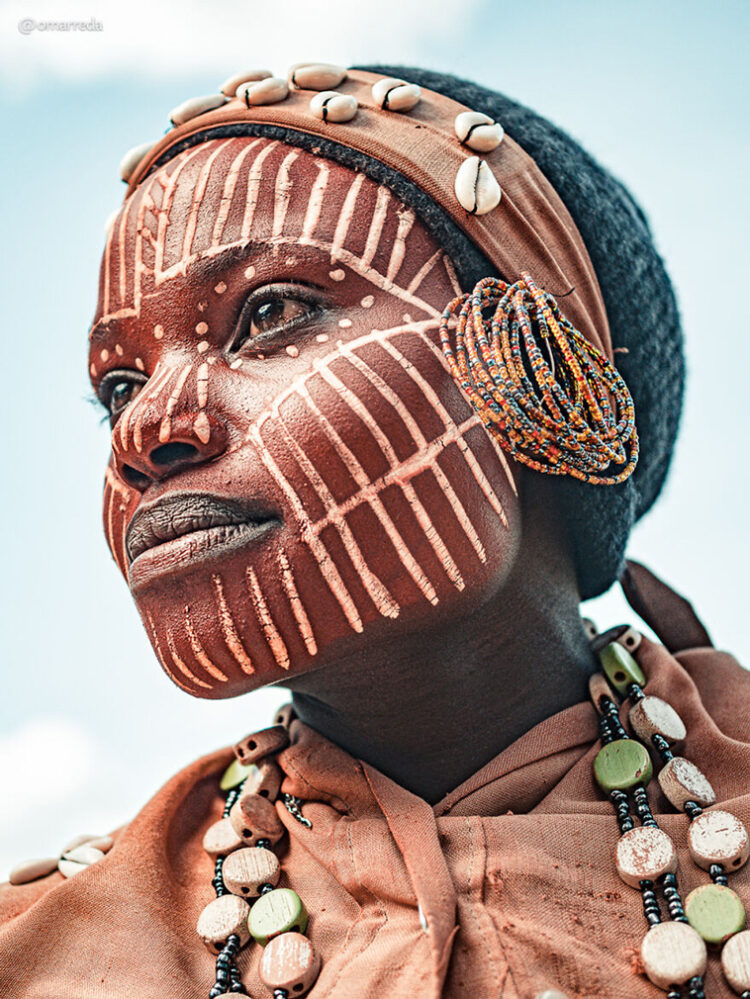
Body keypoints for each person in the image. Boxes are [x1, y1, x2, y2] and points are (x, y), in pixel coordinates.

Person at [1, 64, 748, 999]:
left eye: (272, 313)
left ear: (535, 369)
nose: (148, 430)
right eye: (118, 387)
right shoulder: (44, 955)